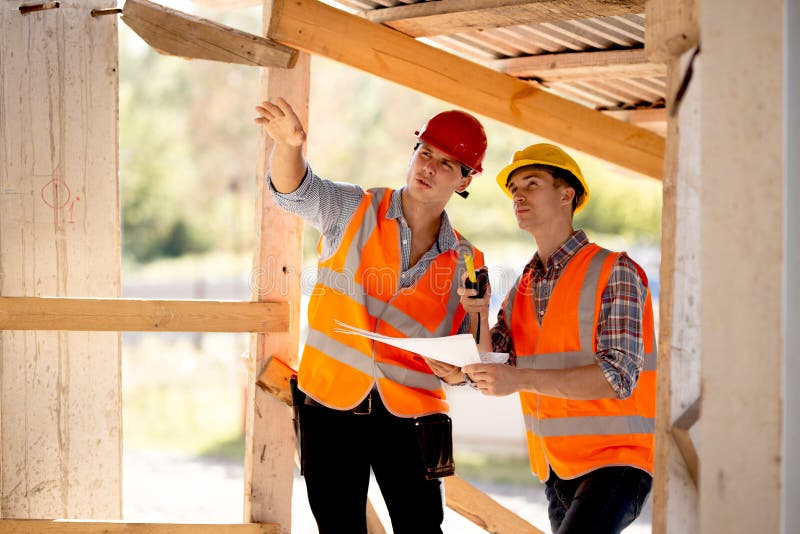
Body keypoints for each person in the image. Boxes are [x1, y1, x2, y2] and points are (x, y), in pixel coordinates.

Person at [253, 97, 487, 534]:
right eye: (425, 153)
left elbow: (468, 357)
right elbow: (295, 191)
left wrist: (459, 371)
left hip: (412, 418)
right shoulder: (354, 209)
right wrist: (290, 147)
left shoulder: (468, 260)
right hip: (330, 406)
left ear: (465, 180)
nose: (429, 168)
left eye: (447, 164)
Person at [459, 143, 656, 534]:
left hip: (616, 463)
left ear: (567, 195)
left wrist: (520, 380)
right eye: (513, 188)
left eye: (531, 184)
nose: (518, 195)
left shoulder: (615, 270)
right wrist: (477, 313)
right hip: (554, 469)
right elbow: (493, 362)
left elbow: (617, 377)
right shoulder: (522, 288)